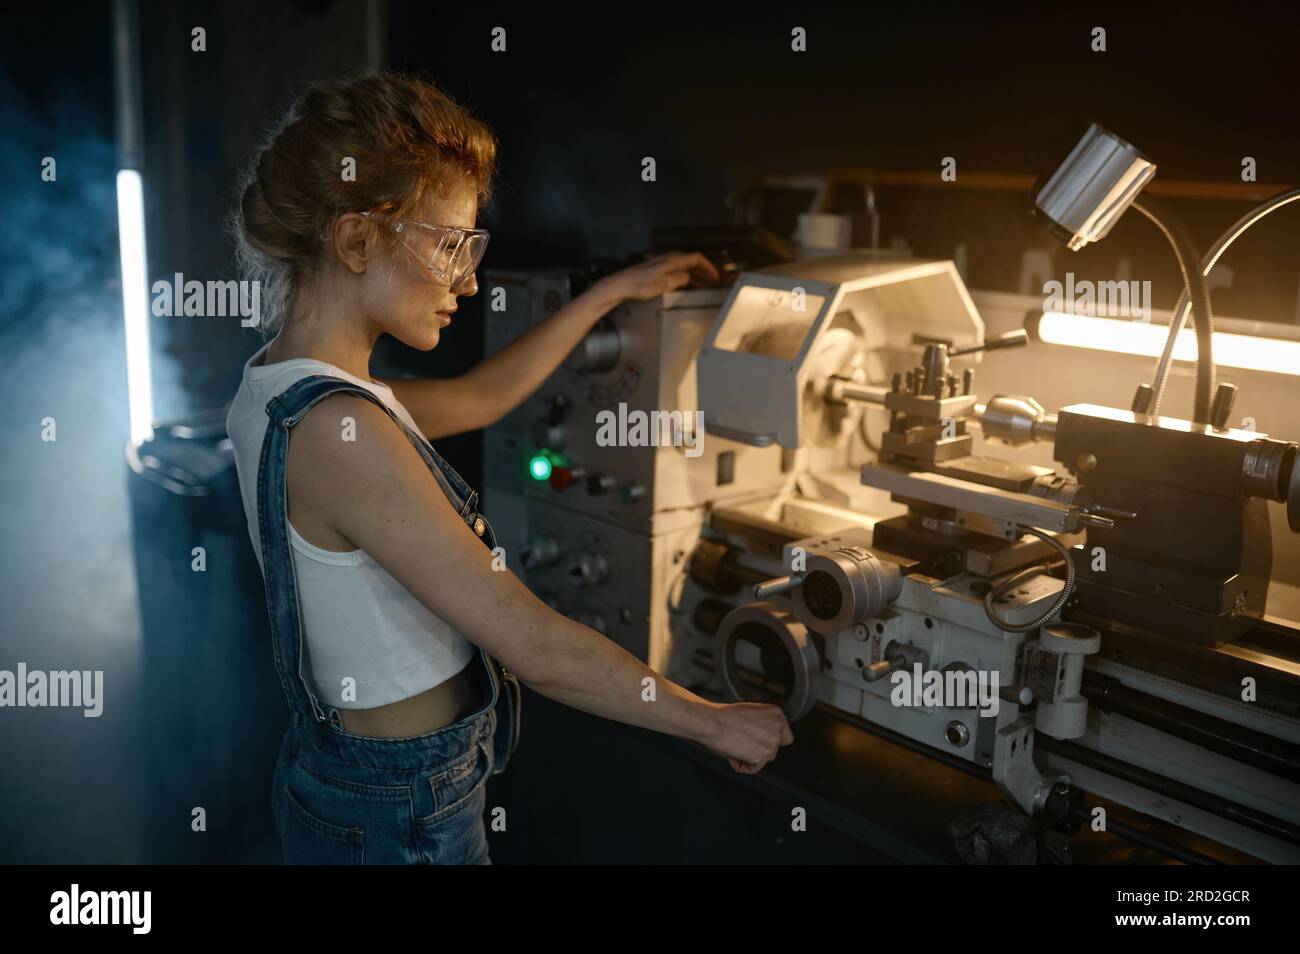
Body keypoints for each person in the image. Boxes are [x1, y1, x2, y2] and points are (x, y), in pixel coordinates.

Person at [224, 72, 792, 865]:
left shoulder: (284, 389)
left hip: (353, 784)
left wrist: (611, 294)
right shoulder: (340, 430)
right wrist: (712, 718)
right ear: (358, 240)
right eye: (450, 244)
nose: (469, 280)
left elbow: (480, 396)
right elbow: (536, 646)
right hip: (406, 813)